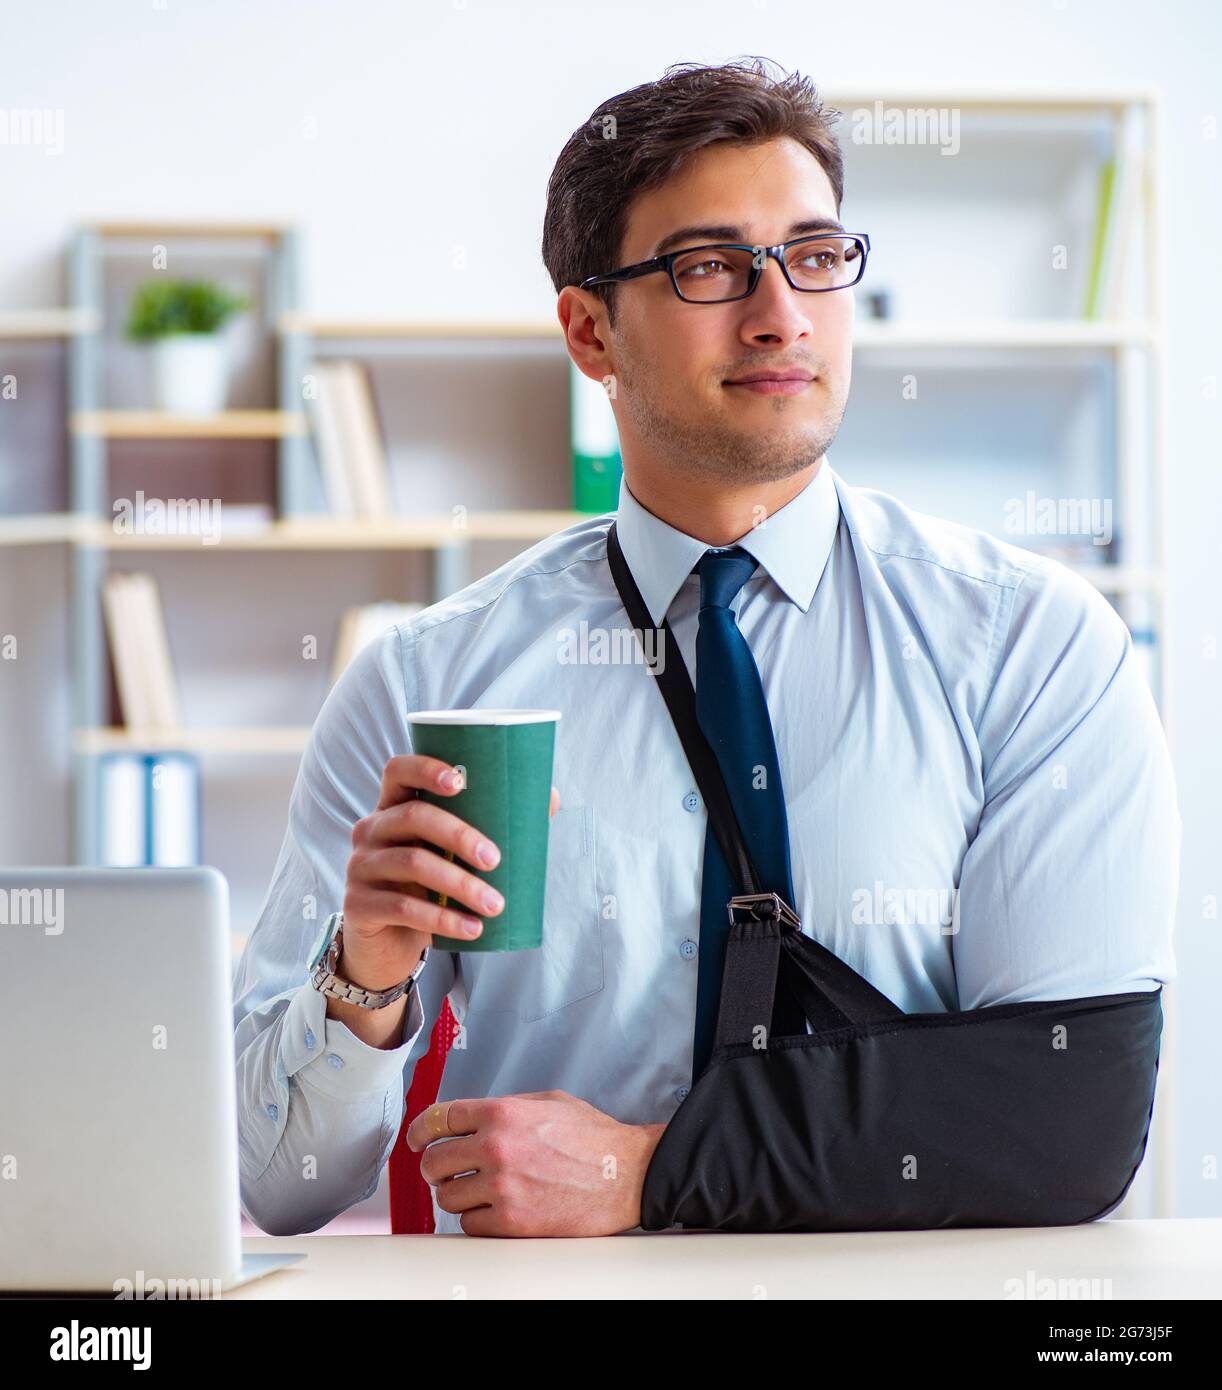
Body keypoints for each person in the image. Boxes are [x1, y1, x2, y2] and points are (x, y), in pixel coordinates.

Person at [233, 56, 1179, 1238]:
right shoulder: (427, 681)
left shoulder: (1031, 648)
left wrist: (652, 1169)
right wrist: (366, 972)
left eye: (816, 257)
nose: (779, 311)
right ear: (589, 330)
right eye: (708, 267)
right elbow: (275, 1182)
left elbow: (1065, 1112)